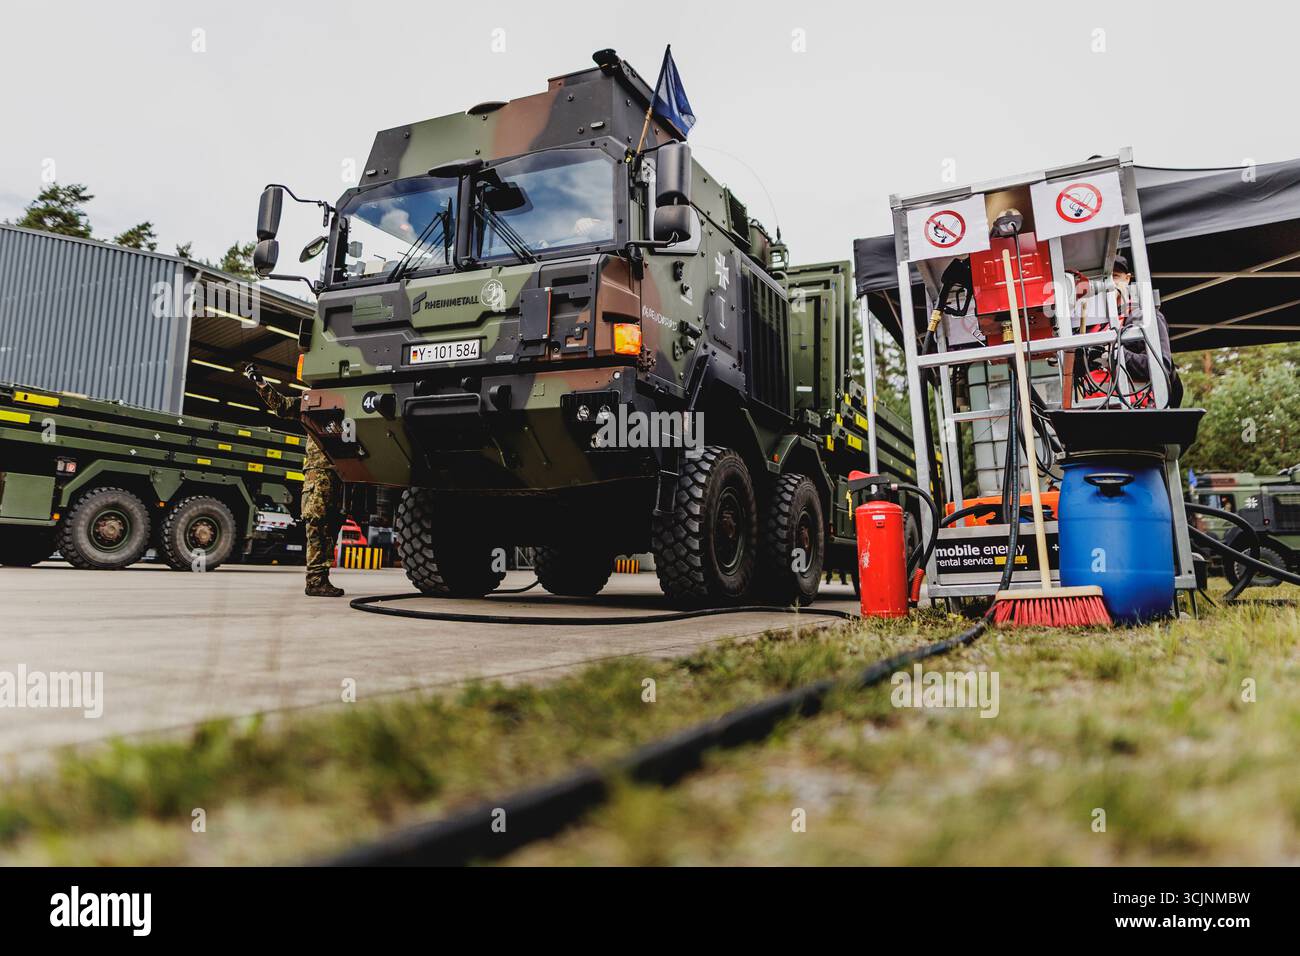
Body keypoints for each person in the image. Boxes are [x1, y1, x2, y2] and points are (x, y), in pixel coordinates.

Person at [241, 363, 345, 597]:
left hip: (342, 472)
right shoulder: (312, 401)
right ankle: (315, 580)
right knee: (317, 525)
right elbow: (282, 405)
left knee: (333, 526)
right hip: (318, 472)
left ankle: (322, 578)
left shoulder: (346, 401)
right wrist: (261, 384)